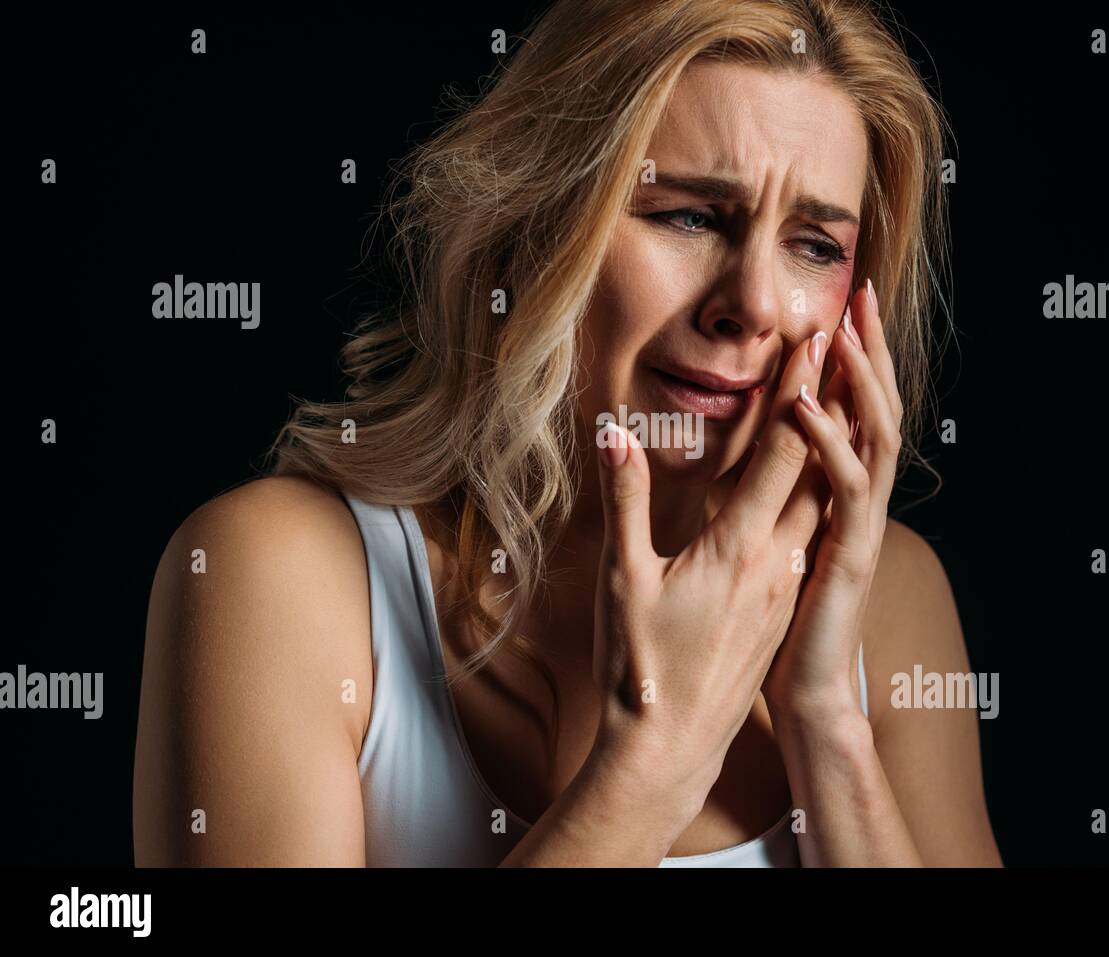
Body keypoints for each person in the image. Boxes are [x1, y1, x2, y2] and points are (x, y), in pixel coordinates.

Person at [134, 0, 1001, 867]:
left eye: (814, 245)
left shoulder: (887, 598)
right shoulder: (276, 572)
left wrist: (824, 722)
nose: (755, 306)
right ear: (533, 225)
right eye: (689, 216)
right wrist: (654, 758)